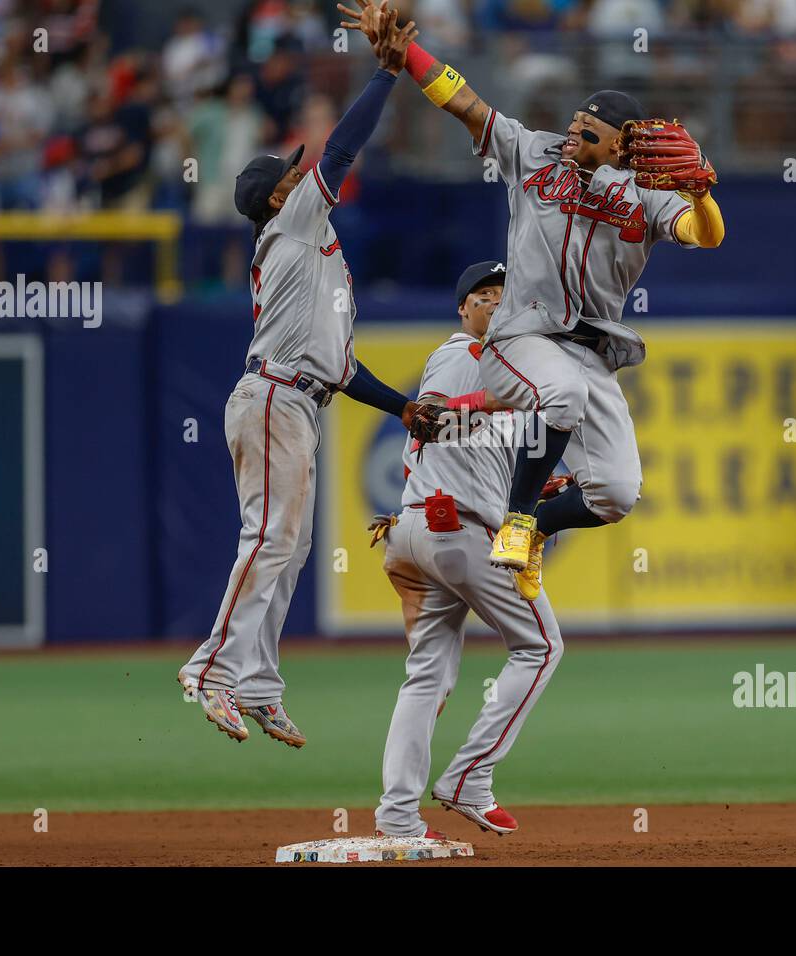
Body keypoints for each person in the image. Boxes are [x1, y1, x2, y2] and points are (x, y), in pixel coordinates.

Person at [341, 0, 726, 603]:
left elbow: (707, 235)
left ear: (622, 146)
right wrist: (405, 54)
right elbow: (462, 100)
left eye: (588, 129)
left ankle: (538, 526)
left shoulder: (647, 198)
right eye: (574, 121)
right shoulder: (533, 151)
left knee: (617, 493)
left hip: (592, 354)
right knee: (561, 394)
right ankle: (517, 519)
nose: (574, 132)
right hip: (524, 337)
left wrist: (701, 195)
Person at [178, 10, 439, 747]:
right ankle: (210, 670)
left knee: (286, 547)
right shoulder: (290, 224)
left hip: (299, 397)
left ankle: (257, 682)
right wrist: (388, 71)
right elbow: (344, 149)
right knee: (268, 538)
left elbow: (344, 369)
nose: (303, 172)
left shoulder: (313, 250)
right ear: (274, 198)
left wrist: (402, 409)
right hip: (272, 397)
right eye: (291, 173)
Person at [372, 260, 565, 839]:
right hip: (451, 532)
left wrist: (537, 485)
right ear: (463, 308)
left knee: (427, 676)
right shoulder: (464, 355)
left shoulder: (497, 379)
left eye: (504, 298)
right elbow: (431, 421)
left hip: (420, 529)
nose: (494, 305)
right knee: (540, 647)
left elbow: (463, 445)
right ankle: (469, 780)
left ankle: (398, 818)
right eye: (484, 296)